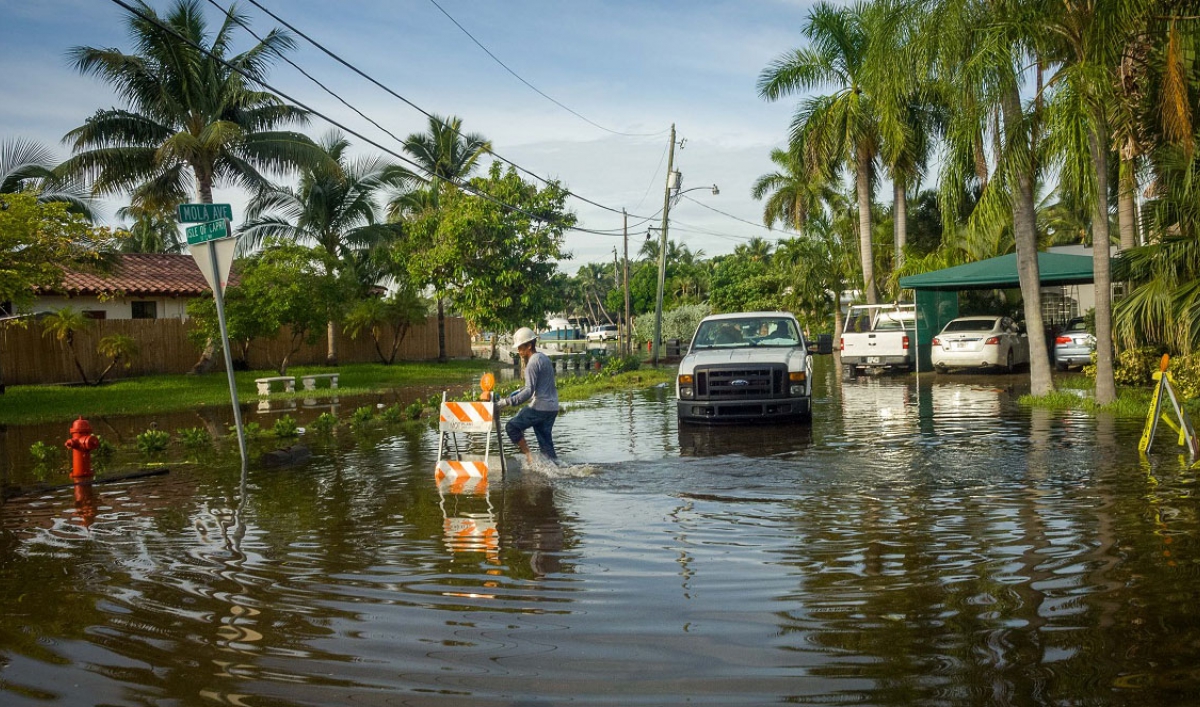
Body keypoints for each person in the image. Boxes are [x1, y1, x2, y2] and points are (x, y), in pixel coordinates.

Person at [495, 327, 560, 464]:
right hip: (552, 408)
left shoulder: (532, 363)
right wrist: (520, 391)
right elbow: (539, 385)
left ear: (529, 345)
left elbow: (529, 391)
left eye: (520, 347)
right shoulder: (544, 358)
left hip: (540, 407)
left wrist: (507, 402)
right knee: (546, 447)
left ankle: (529, 457)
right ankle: (556, 469)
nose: (518, 351)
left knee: (512, 427)